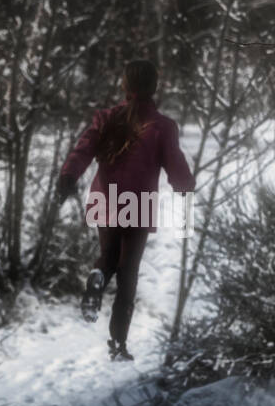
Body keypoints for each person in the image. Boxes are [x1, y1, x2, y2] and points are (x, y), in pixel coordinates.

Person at [57, 59, 195, 361]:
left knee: (107, 257)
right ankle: (118, 345)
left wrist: (68, 176)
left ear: (125, 86)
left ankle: (97, 276)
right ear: (154, 87)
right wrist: (186, 186)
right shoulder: (163, 127)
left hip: (105, 199)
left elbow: (83, 149)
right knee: (128, 274)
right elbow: (175, 165)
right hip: (139, 203)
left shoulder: (106, 118)